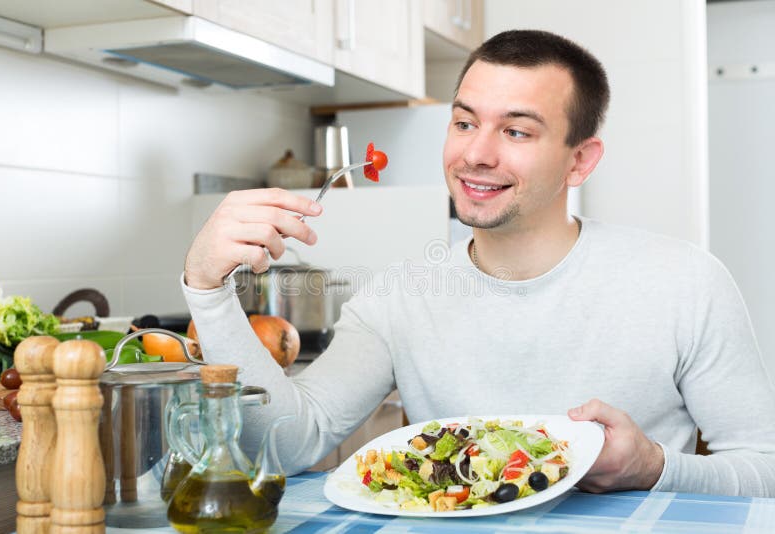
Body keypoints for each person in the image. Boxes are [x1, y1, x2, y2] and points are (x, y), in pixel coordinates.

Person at [181, 30, 775, 496]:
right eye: (464, 122)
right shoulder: (399, 299)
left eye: (516, 131)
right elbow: (285, 445)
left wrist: (653, 466)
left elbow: (764, 471)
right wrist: (208, 288)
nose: (475, 154)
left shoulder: (684, 283)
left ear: (580, 160)